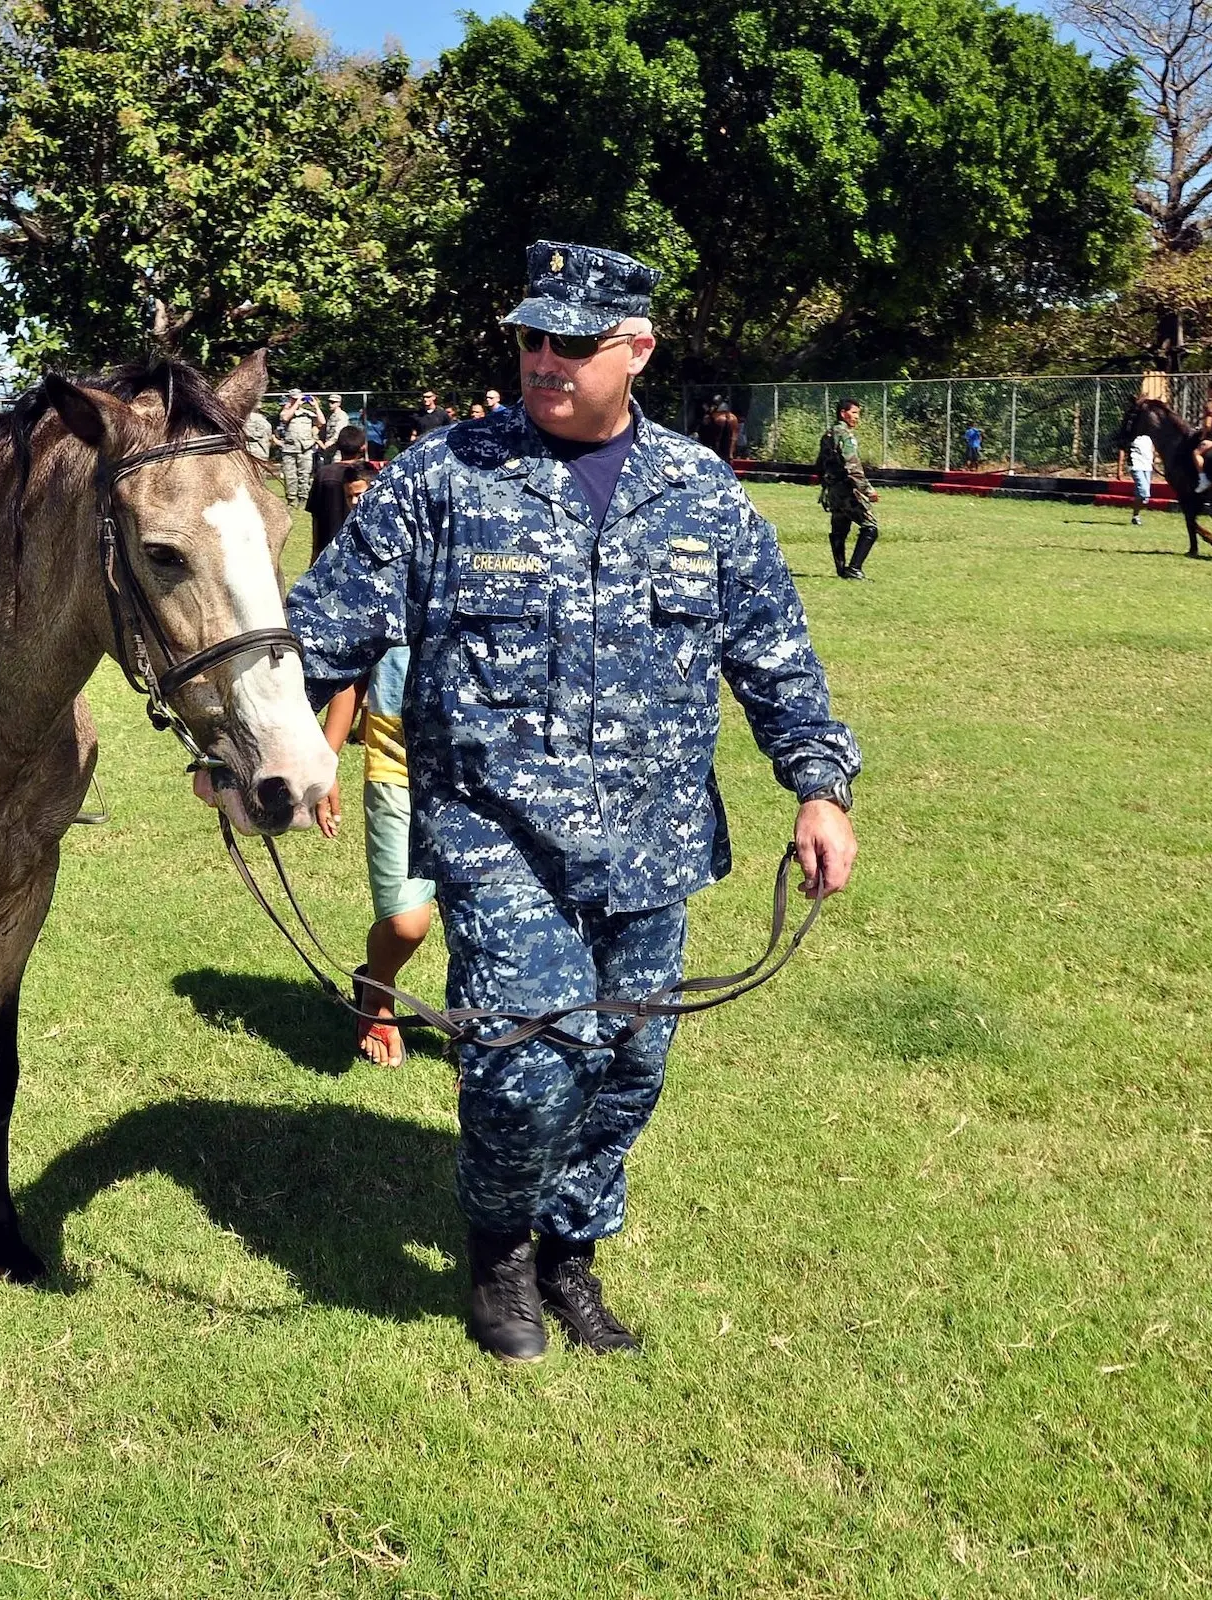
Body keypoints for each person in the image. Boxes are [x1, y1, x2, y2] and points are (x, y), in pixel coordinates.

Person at [282, 239, 860, 1362]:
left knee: (627, 1066)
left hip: (655, 844)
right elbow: (325, 627)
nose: (545, 360)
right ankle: (499, 1253)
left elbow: (776, 654)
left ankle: (571, 1260)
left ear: (637, 349)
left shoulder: (700, 492)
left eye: (575, 343)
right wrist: (255, 742)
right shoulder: (443, 478)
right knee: (528, 1059)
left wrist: (819, 787)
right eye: (531, 338)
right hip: (499, 839)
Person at [314, 634, 437, 1069]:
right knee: (406, 922)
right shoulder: (385, 569)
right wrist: (325, 760)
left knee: (482, 925)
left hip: (487, 773)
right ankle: (378, 989)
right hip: (396, 766)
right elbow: (346, 672)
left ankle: (480, 1047)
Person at [817, 398, 879, 579]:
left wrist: (826, 485)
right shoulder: (845, 435)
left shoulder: (827, 435)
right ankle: (854, 569)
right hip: (848, 489)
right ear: (843, 413)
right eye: (854, 413)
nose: (857, 417)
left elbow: (820, 463)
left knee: (839, 529)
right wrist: (868, 490)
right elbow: (852, 466)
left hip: (833, 489)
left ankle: (841, 568)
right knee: (870, 526)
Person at [307, 423, 372, 559]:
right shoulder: (370, 474)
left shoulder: (323, 474)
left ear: (338, 446)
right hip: (362, 550)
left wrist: (315, 551)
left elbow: (315, 516)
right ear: (363, 447)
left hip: (328, 549)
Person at [276, 390, 322, 507]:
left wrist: (315, 406)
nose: (297, 400)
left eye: (298, 398)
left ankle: (303, 499)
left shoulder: (307, 413)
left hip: (305, 448)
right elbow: (285, 418)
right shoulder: (286, 411)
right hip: (290, 449)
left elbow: (321, 422)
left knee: (305, 474)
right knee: (290, 475)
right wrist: (296, 404)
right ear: (290, 399)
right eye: (294, 398)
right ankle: (291, 500)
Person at [1125, 429, 1155, 526]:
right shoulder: (1132, 436)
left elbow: (1152, 449)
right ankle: (1135, 515)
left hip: (1147, 466)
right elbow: (1123, 450)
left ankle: (1135, 516)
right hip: (1136, 465)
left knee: (1144, 497)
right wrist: (1120, 468)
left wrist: (1153, 459)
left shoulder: (1149, 436)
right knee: (1144, 492)